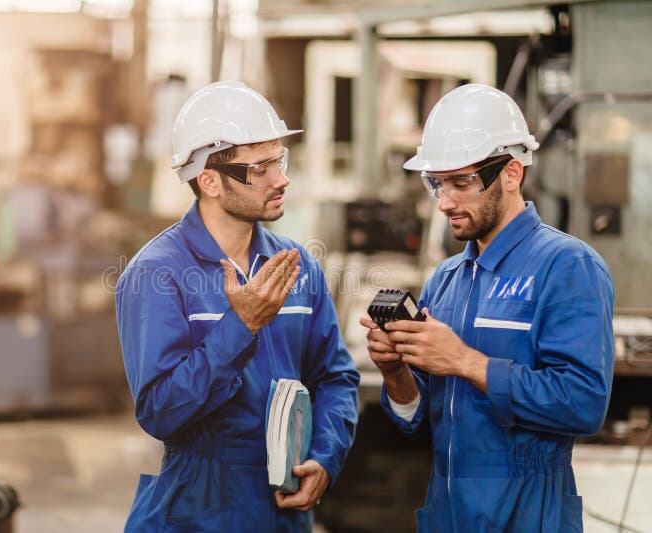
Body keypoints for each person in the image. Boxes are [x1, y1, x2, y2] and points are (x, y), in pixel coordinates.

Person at [360, 83, 614, 532]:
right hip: (449, 509)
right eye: (437, 184)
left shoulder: (567, 266)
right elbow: (418, 423)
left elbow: (583, 404)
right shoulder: (447, 278)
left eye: (461, 183)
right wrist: (396, 371)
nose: (444, 202)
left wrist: (462, 360)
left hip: (529, 512)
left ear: (511, 174)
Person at [117, 80, 360, 532]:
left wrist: (325, 456)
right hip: (199, 507)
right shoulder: (158, 273)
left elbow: (335, 377)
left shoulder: (296, 264)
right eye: (260, 168)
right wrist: (240, 327)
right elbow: (160, 411)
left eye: (279, 161)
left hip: (283, 506)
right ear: (208, 180)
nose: (281, 179)